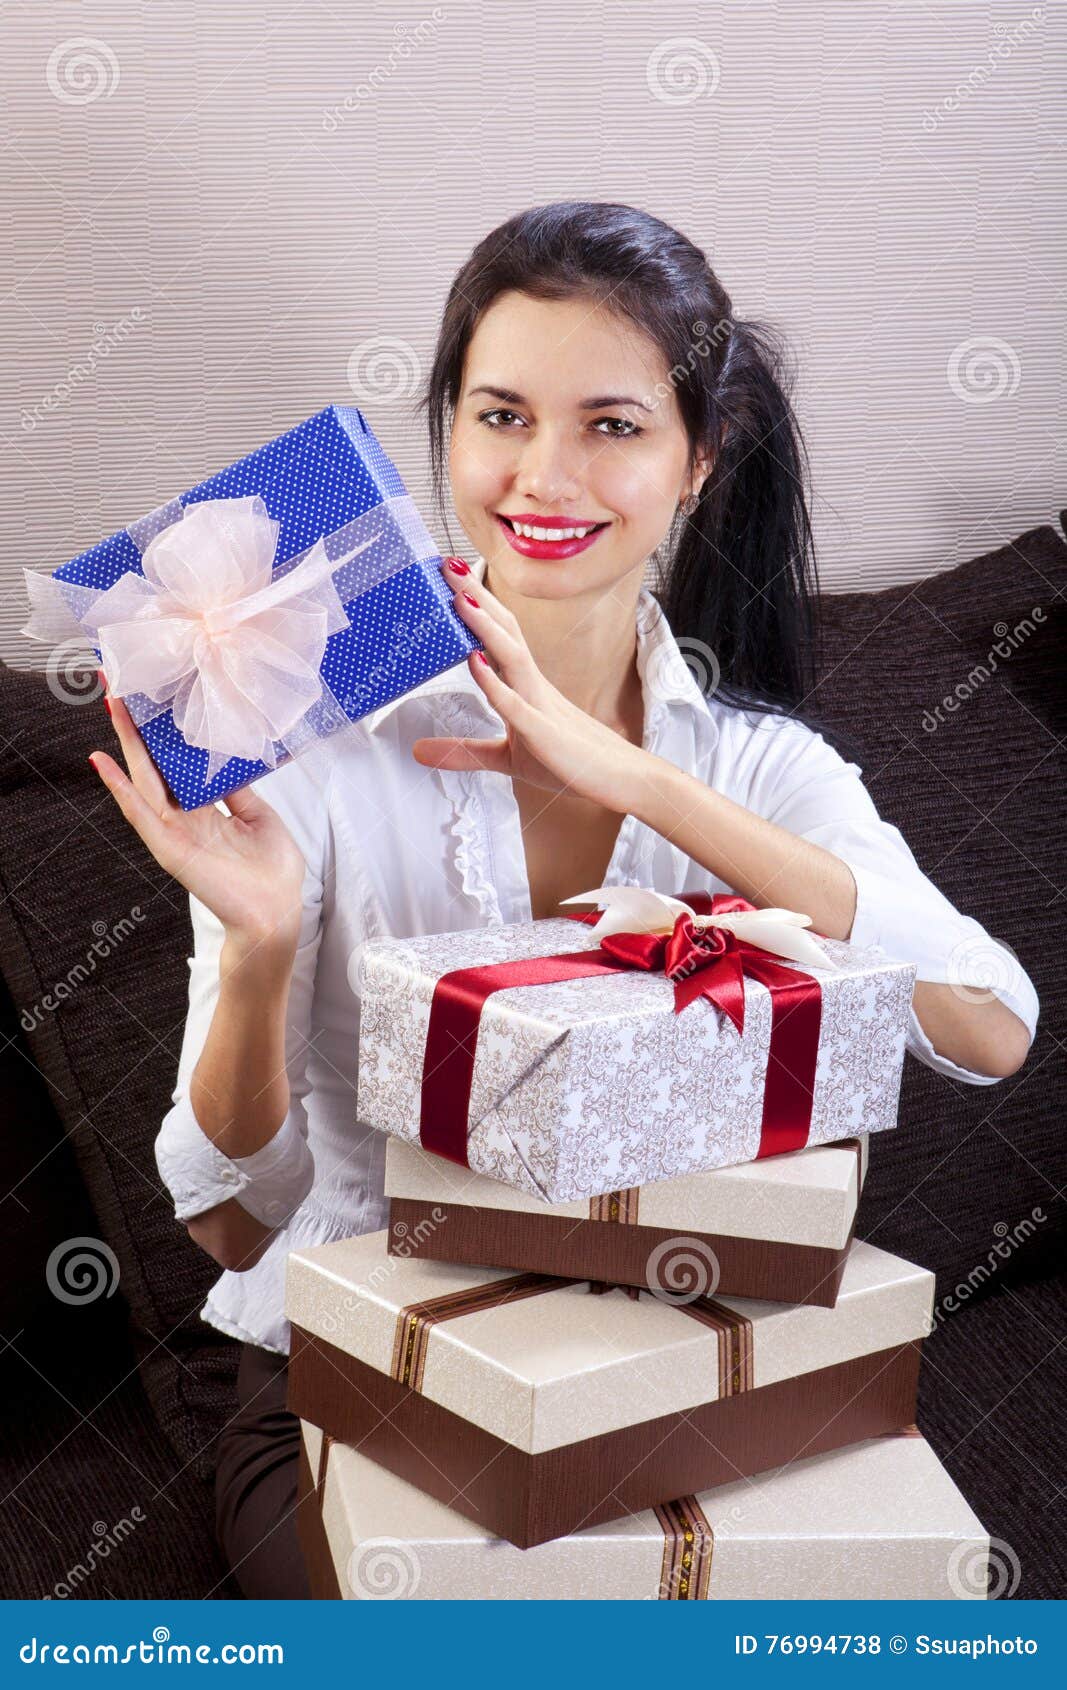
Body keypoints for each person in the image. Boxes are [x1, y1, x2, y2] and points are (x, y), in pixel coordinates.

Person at [88, 202, 1039, 1599]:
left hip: (661, 1378)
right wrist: (261, 946)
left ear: (699, 462)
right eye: (500, 414)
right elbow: (234, 1229)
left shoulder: (757, 768)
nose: (543, 472)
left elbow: (988, 1024)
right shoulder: (315, 751)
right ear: (447, 440)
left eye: (612, 424)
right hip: (351, 1388)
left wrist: (644, 783)